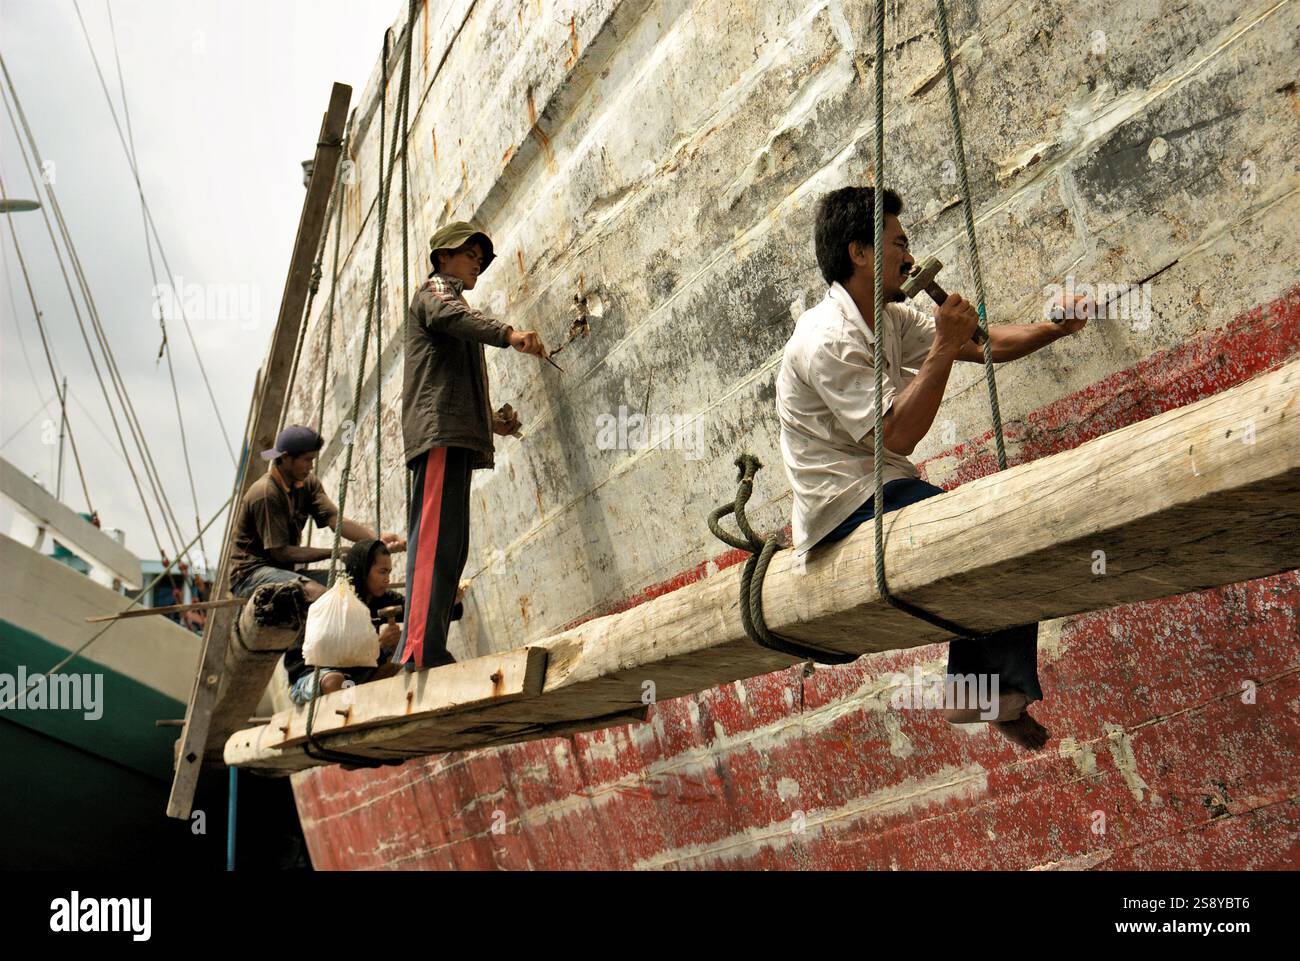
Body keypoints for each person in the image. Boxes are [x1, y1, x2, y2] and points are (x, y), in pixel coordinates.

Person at [776, 186, 1089, 750]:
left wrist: (1053, 329)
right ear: (861, 252)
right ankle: (991, 697)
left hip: (886, 488)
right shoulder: (825, 336)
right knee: (988, 525)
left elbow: (984, 342)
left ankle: (980, 697)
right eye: (899, 242)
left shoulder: (891, 318)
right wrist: (944, 345)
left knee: (981, 527)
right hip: (844, 509)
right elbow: (894, 434)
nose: (910, 254)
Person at [397, 220, 548, 669]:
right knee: (434, 542)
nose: (477, 262)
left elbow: (449, 380)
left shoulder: (452, 302)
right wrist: (510, 334)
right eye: (469, 254)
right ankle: (418, 650)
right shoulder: (436, 292)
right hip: (439, 434)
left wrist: (492, 423)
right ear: (442, 258)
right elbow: (451, 316)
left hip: (453, 434)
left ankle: (427, 647)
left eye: (480, 259)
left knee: (451, 546)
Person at [228, 424, 404, 603]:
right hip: (251, 575)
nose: (311, 466)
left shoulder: (307, 483)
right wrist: (333, 553)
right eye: (307, 460)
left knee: (350, 583)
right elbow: (281, 553)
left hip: (284, 572)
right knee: (318, 593)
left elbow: (335, 520)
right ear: (286, 458)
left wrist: (376, 539)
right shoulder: (266, 493)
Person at [285, 538, 463, 705]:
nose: (387, 579)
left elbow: (418, 611)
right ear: (364, 570)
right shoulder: (339, 600)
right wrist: (379, 643)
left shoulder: (382, 599)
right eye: (382, 572)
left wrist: (448, 600)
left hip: (355, 678)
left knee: (406, 660)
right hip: (313, 675)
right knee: (335, 681)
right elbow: (335, 657)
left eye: (389, 572)